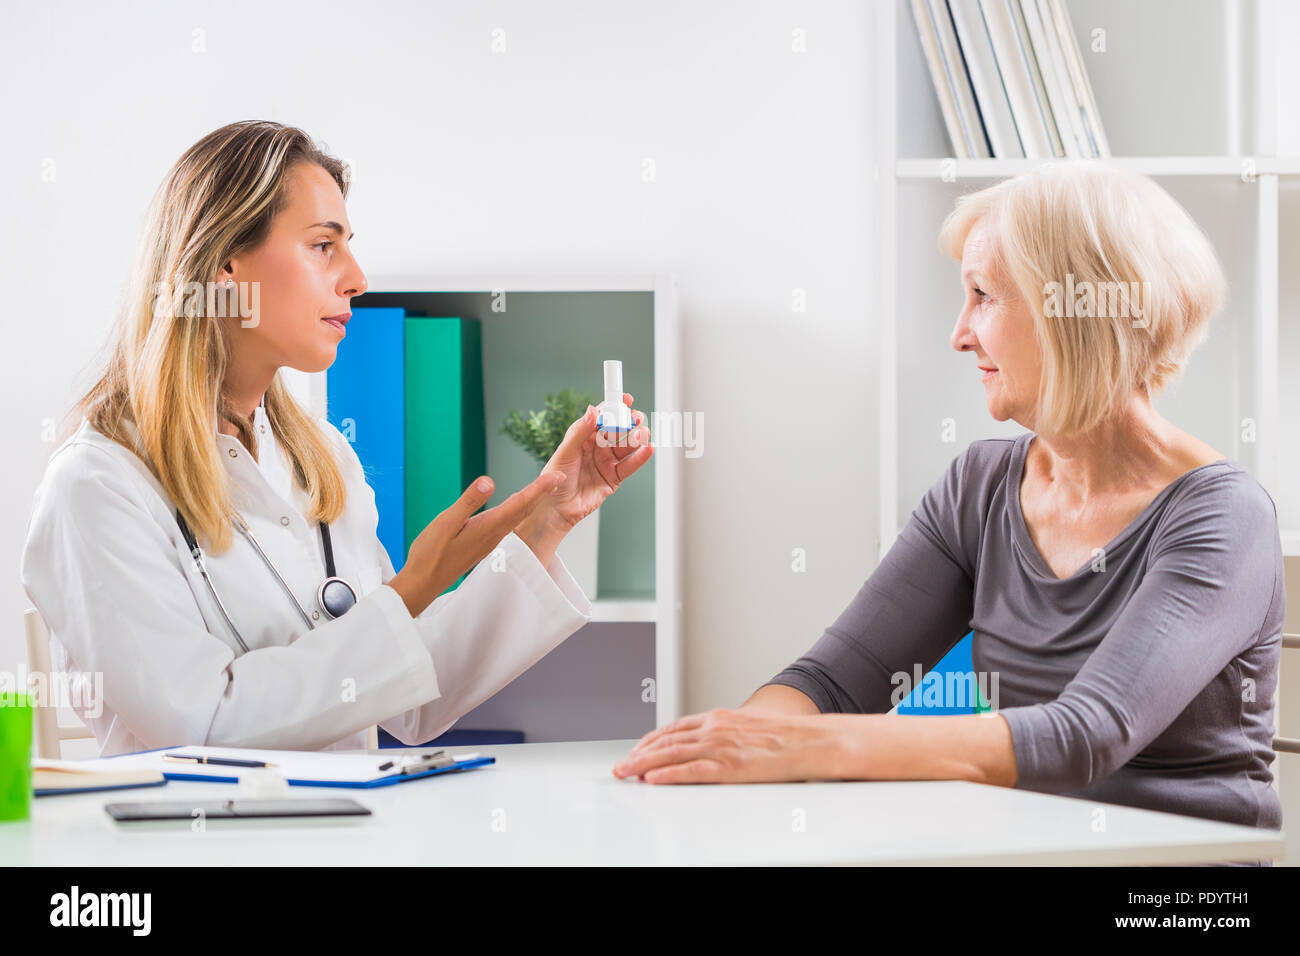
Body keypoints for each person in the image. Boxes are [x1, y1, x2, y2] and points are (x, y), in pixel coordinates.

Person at [613, 166, 1282, 863]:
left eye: (983, 297)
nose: (960, 334)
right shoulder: (982, 485)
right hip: (1021, 853)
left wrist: (799, 747)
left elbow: (1084, 735)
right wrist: (731, 750)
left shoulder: (1224, 517)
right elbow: (834, 683)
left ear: (1073, 310)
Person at [21, 120, 653, 755]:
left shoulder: (322, 460)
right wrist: (413, 590)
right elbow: (201, 726)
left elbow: (410, 699)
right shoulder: (98, 487)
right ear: (224, 266)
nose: (357, 277)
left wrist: (549, 519)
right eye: (323, 245)